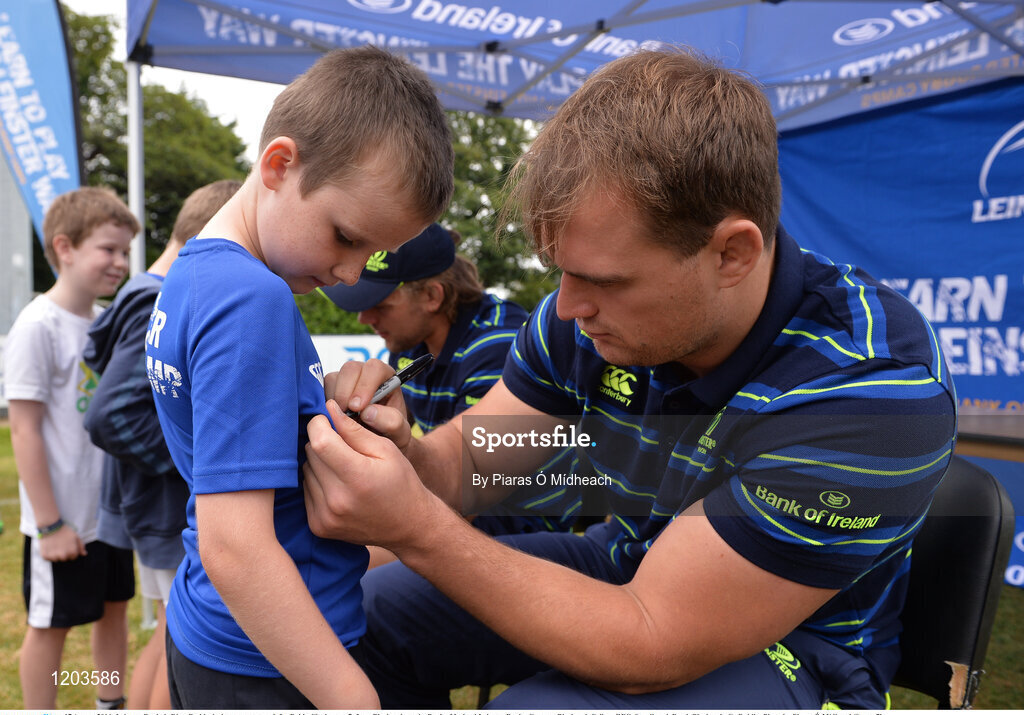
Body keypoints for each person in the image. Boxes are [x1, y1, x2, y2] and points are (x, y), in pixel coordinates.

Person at [301, 46, 958, 709]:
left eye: (601, 279)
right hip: (632, 556)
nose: (565, 307)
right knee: (345, 619)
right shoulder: (585, 316)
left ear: (732, 252)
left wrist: (417, 529)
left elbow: (650, 641)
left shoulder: (871, 389)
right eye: (560, 269)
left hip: (800, 646)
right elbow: (470, 465)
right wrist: (401, 449)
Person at [144, 45, 453, 709]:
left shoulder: (192, 277)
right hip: (271, 658)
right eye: (344, 236)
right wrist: (351, 696)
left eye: (371, 255)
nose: (349, 273)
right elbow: (237, 546)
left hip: (224, 631)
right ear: (279, 166)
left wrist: (321, 406)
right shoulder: (252, 298)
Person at [82, 179, 242, 709]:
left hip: (142, 504)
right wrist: (195, 461)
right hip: (160, 504)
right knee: (177, 636)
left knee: (168, 631)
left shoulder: (139, 290)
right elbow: (110, 416)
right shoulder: (157, 298)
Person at [322, 223, 578, 539]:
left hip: (523, 517)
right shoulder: (410, 346)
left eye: (380, 305)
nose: (365, 318)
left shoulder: (495, 347)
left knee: (346, 562)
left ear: (432, 296)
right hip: (460, 498)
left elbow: (470, 494)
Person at [4, 186, 139, 709]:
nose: (121, 262)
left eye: (125, 251)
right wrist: (49, 523)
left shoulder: (109, 321)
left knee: (114, 610)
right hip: (62, 521)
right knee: (51, 628)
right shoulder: (37, 326)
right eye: (109, 249)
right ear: (65, 248)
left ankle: (112, 703)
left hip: (110, 513)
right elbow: (24, 430)